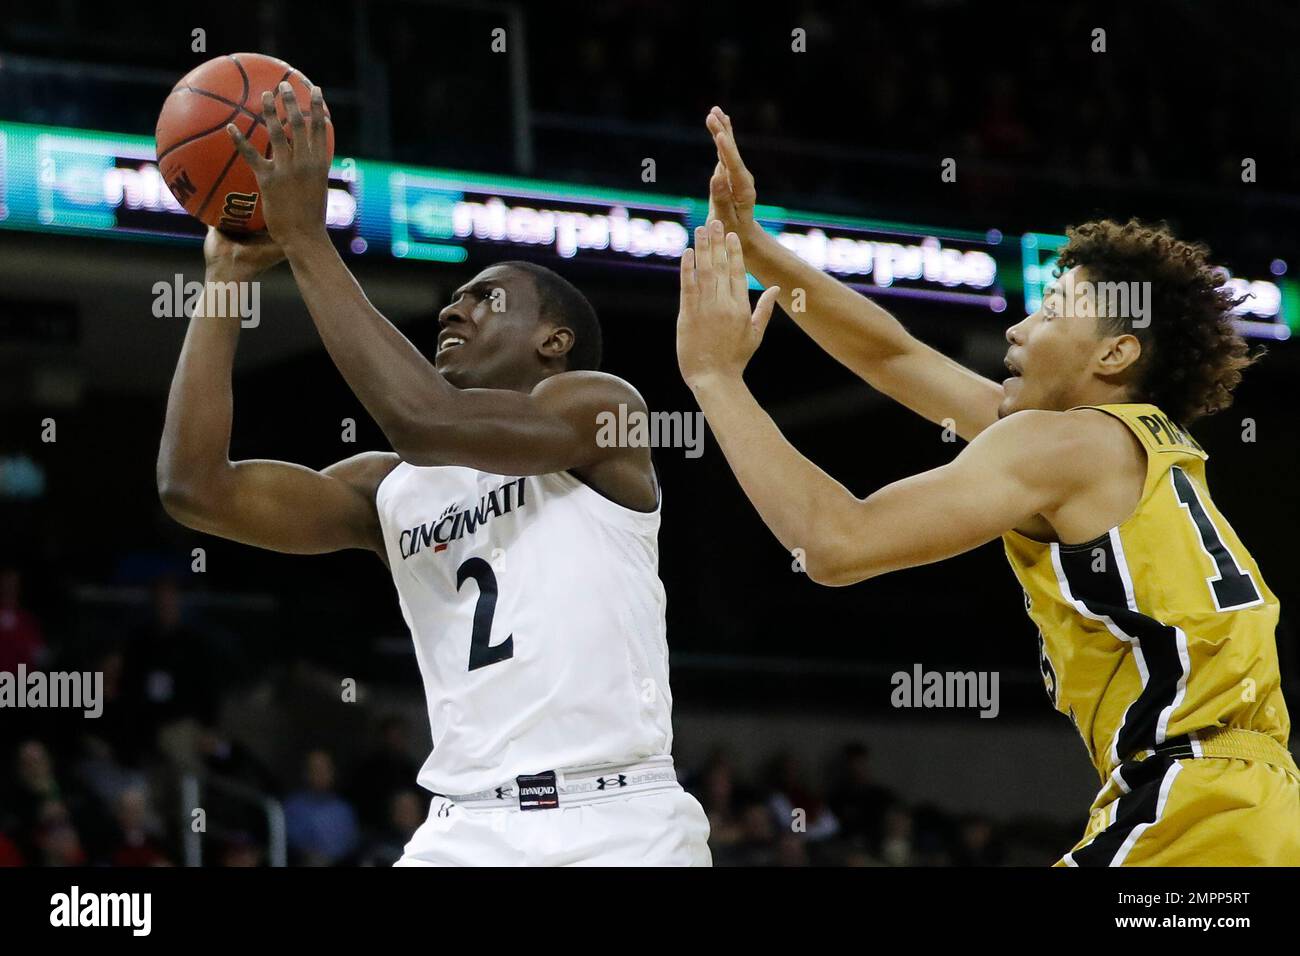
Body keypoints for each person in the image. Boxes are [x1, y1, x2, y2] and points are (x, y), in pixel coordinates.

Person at [675, 106, 1299, 866]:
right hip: (1252, 806)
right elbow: (896, 357)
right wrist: (753, 245)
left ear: (1115, 354)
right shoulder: (1127, 445)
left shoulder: (1062, 445)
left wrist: (715, 379)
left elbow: (835, 544)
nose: (1016, 329)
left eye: (1050, 311)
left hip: (1192, 805)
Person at [155, 82, 709, 866]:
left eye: (486, 299)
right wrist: (227, 280)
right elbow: (195, 488)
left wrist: (308, 241)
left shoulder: (598, 413)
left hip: (615, 819)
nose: (454, 312)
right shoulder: (392, 487)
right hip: (463, 828)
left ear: (554, 340)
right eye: (451, 300)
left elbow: (424, 418)